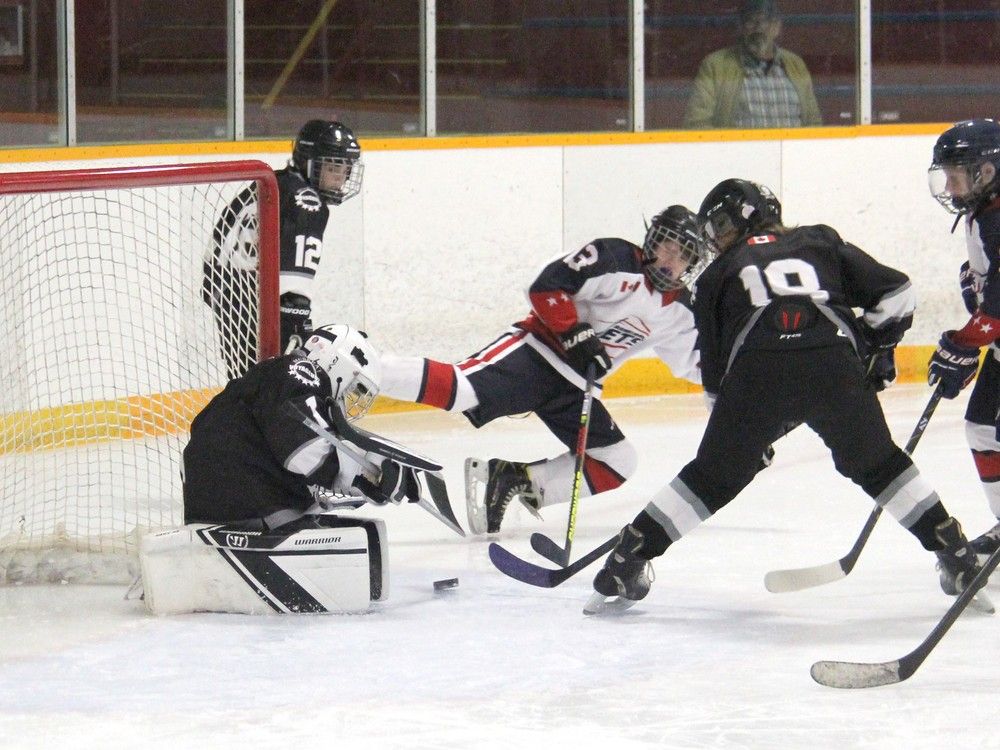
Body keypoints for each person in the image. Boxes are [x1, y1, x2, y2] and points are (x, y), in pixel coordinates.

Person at [586, 178, 985, 614]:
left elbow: (716, 376)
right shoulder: (818, 240)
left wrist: (748, 438)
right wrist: (873, 346)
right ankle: (954, 550)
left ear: (745, 218)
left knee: (712, 477)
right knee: (880, 464)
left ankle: (631, 555)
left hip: (755, 372)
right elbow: (897, 294)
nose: (718, 238)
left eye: (721, 225)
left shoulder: (715, 276)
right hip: (833, 361)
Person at [378, 206, 711, 534]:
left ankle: (511, 479)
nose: (670, 260)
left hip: (576, 387)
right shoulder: (615, 257)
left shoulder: (680, 312)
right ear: (652, 240)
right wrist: (575, 334)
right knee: (463, 389)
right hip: (537, 355)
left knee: (618, 462)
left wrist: (741, 394)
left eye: (682, 256)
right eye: (666, 247)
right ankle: (363, 367)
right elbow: (546, 284)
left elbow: (696, 365)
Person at [204, 120, 364, 379]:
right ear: (309, 162)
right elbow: (294, 281)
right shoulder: (306, 200)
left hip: (228, 289)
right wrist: (296, 318)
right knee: (273, 385)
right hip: (254, 296)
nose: (341, 176)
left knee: (247, 381)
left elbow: (219, 242)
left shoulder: (275, 183)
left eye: (345, 167)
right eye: (333, 166)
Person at [926, 117, 1000, 561]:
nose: (951, 188)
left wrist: (964, 341)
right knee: (980, 428)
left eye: (957, 177)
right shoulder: (984, 212)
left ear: (986, 172)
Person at [683, 0, 822, 130]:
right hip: (738, 155)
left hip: (791, 155)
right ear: (742, 27)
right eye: (751, 21)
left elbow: (814, 123)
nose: (758, 28)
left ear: (777, 27)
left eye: (764, 21)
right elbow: (696, 123)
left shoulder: (796, 65)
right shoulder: (716, 66)